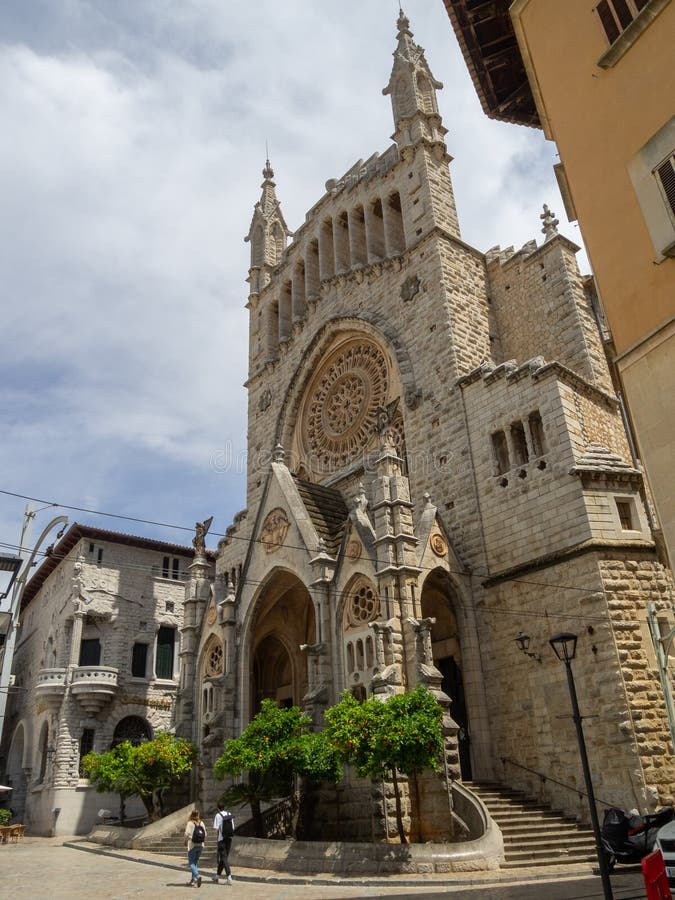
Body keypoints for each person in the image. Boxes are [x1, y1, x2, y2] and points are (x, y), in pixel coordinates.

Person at [212, 802, 235, 884]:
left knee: (224, 858)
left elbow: (215, 828)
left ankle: (229, 877)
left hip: (221, 840)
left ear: (218, 808)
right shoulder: (229, 814)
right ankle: (217, 876)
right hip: (229, 839)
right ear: (224, 807)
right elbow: (233, 827)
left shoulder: (218, 815)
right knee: (223, 858)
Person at [184, 808, 206, 887]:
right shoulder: (202, 823)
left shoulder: (190, 823)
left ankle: (197, 876)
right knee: (195, 863)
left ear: (191, 815)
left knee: (191, 864)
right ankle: (193, 881)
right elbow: (205, 834)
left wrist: (185, 842)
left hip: (192, 845)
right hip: (200, 845)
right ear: (198, 815)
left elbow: (186, 834)